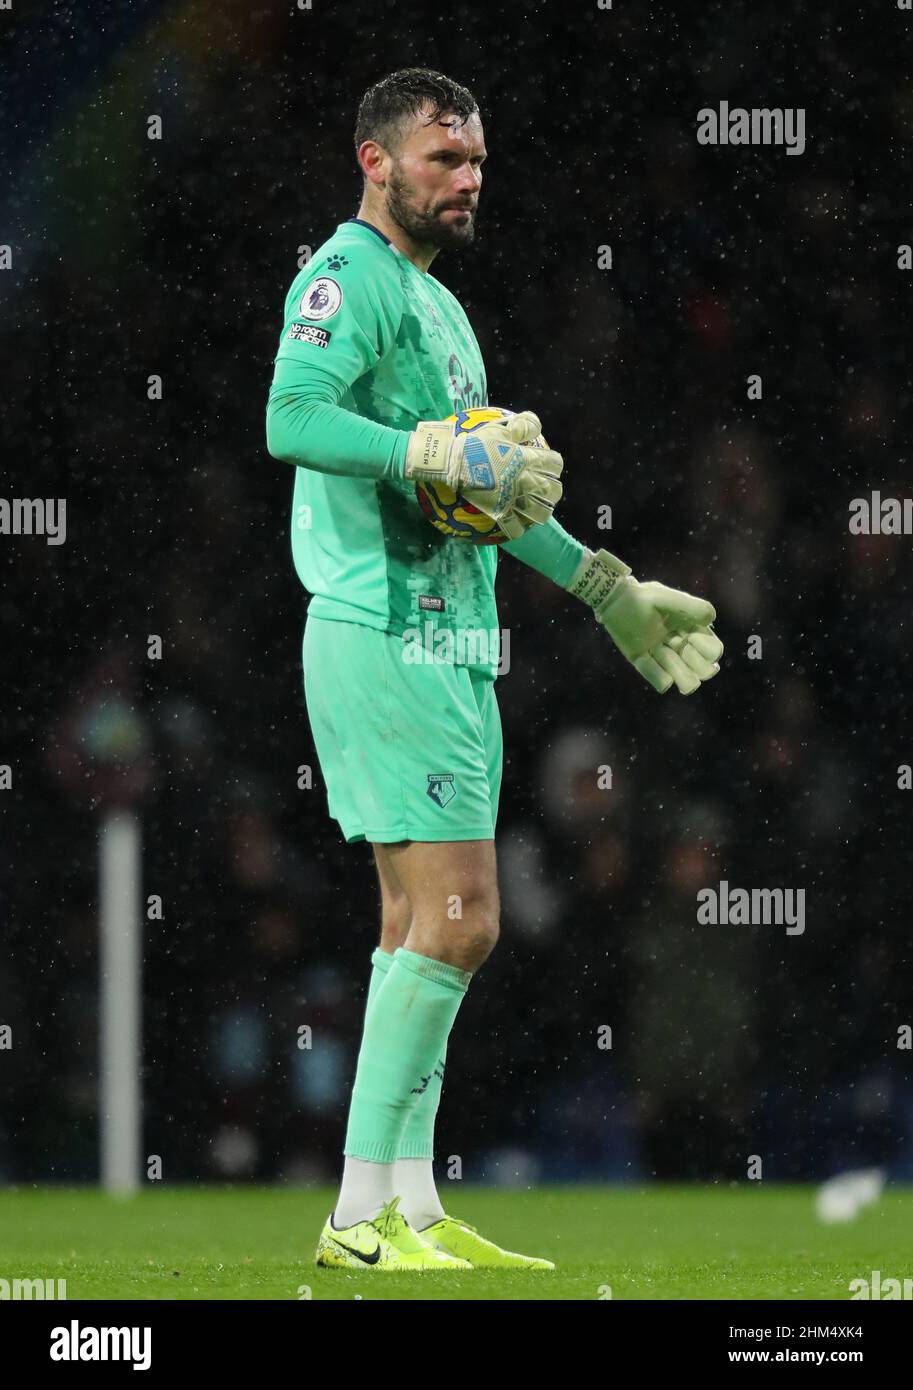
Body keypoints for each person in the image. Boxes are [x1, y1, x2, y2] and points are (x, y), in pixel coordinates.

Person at [266, 67, 723, 1272]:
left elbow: (488, 498)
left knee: (416, 924)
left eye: (474, 163)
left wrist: (605, 588)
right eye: (441, 160)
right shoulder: (345, 279)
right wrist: (419, 442)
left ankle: (404, 1202)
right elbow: (291, 417)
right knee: (464, 922)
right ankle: (355, 1216)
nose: (466, 181)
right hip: (384, 629)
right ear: (374, 160)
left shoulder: (438, 307)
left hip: (449, 638)